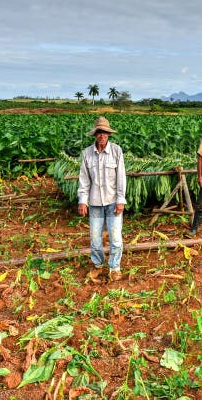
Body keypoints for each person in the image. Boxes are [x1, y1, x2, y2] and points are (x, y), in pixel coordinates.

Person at [77, 116, 126, 281]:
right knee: (95, 238)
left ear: (109, 134)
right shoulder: (87, 154)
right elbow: (84, 180)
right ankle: (98, 265)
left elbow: (121, 178)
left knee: (115, 237)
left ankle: (114, 268)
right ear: (95, 134)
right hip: (95, 203)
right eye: (99, 132)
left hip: (113, 202)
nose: (102, 135)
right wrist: (82, 200)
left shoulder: (116, 151)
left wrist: (121, 200)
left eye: (105, 132)